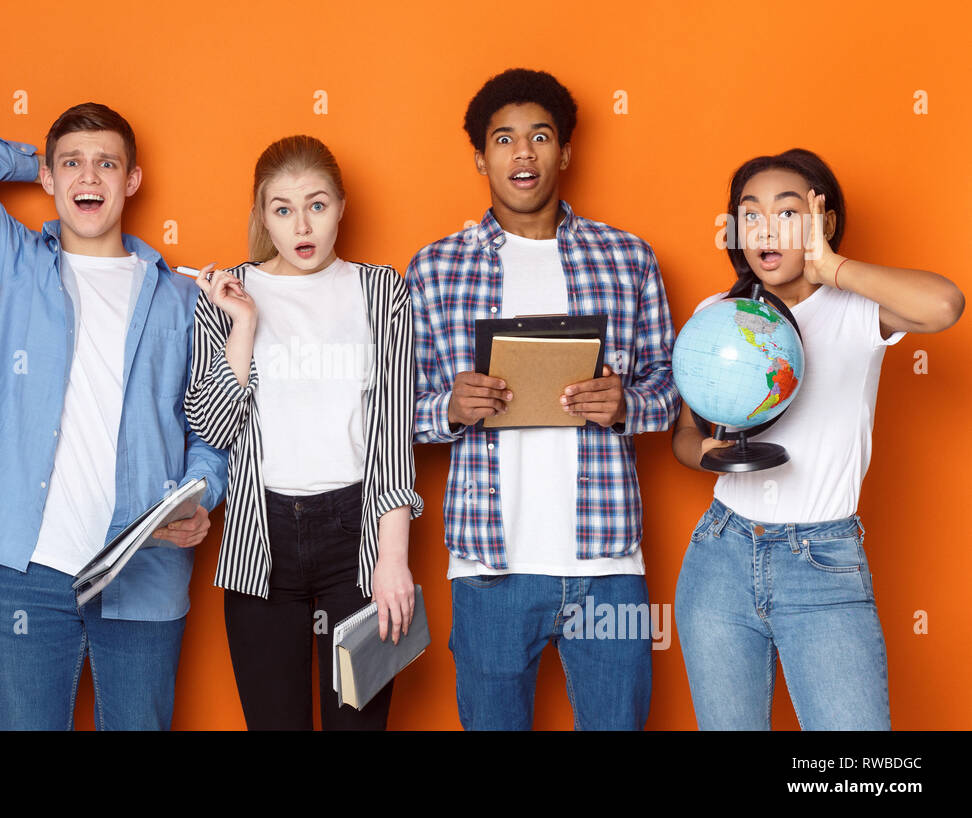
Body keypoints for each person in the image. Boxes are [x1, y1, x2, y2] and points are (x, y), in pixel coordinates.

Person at [0, 103, 228, 731]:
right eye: (73, 164)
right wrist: (32, 159)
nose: (89, 177)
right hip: (30, 566)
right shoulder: (14, 266)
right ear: (50, 178)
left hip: (143, 566)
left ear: (132, 181)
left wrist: (204, 498)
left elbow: (210, 428)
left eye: (106, 164)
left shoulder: (183, 297)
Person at [407, 68, 680, 730]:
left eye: (539, 137)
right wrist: (448, 407)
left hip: (609, 558)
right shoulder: (433, 268)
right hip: (489, 565)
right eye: (503, 139)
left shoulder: (629, 258)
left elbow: (672, 389)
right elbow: (392, 413)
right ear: (480, 156)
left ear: (566, 151)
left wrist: (627, 405)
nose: (522, 154)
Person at [672, 148, 964, 730]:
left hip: (823, 560)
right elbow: (685, 434)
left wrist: (831, 269)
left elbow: (945, 304)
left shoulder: (858, 310)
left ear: (822, 223)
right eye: (749, 214)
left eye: (787, 212)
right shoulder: (719, 313)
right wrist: (709, 455)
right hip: (720, 554)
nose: (765, 229)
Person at [184, 135, 422, 730]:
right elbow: (212, 424)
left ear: (342, 206)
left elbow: (391, 430)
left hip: (359, 536)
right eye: (282, 209)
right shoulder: (226, 295)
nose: (302, 225)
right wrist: (243, 324)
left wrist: (393, 560)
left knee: (358, 724)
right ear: (262, 215)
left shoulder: (382, 291)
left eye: (317, 205)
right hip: (259, 536)